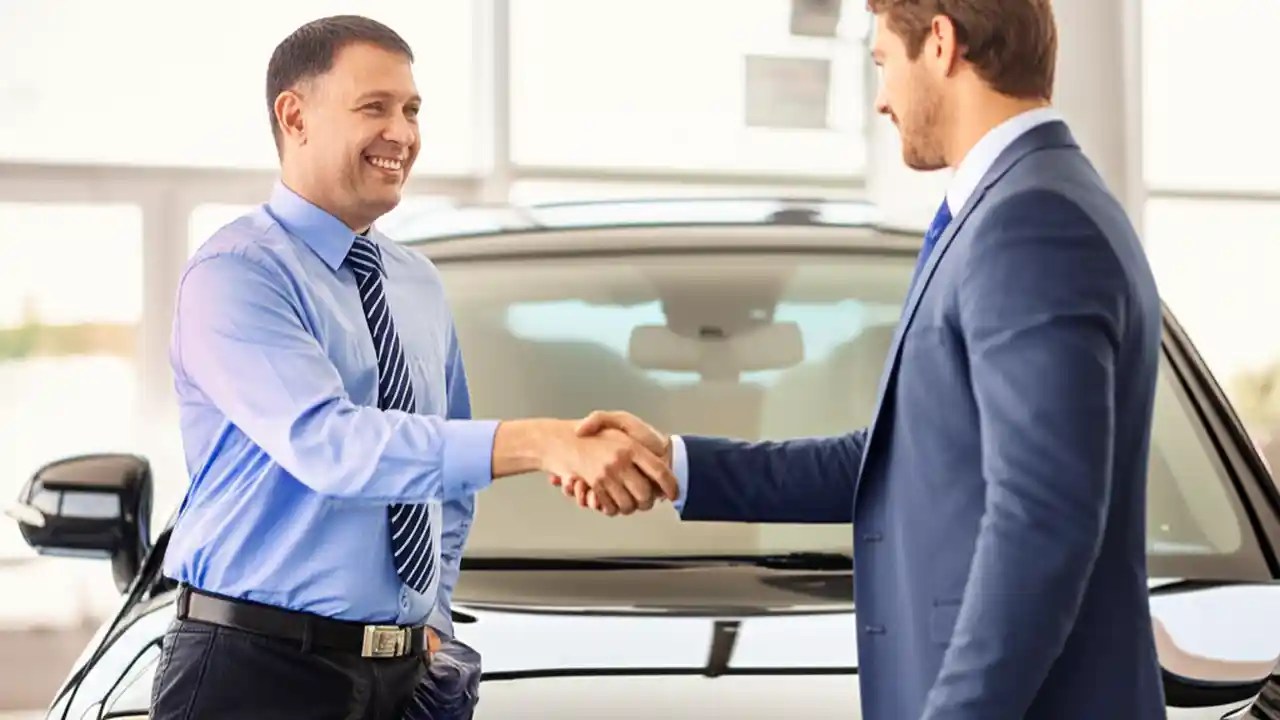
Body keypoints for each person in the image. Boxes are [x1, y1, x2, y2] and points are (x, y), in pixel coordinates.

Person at [560, 1, 1166, 717]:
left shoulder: (1030, 224)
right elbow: (900, 460)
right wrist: (676, 463)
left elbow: (1044, 520)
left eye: (882, 63)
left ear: (940, 42)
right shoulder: (1028, 205)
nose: (880, 98)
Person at [151, 15, 674, 720]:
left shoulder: (416, 282)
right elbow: (333, 445)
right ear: (294, 115)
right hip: (255, 673)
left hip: (408, 678)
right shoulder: (237, 274)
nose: (402, 132)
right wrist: (542, 440)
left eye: (411, 110)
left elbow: (447, 478)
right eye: (375, 108)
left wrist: (433, 616)